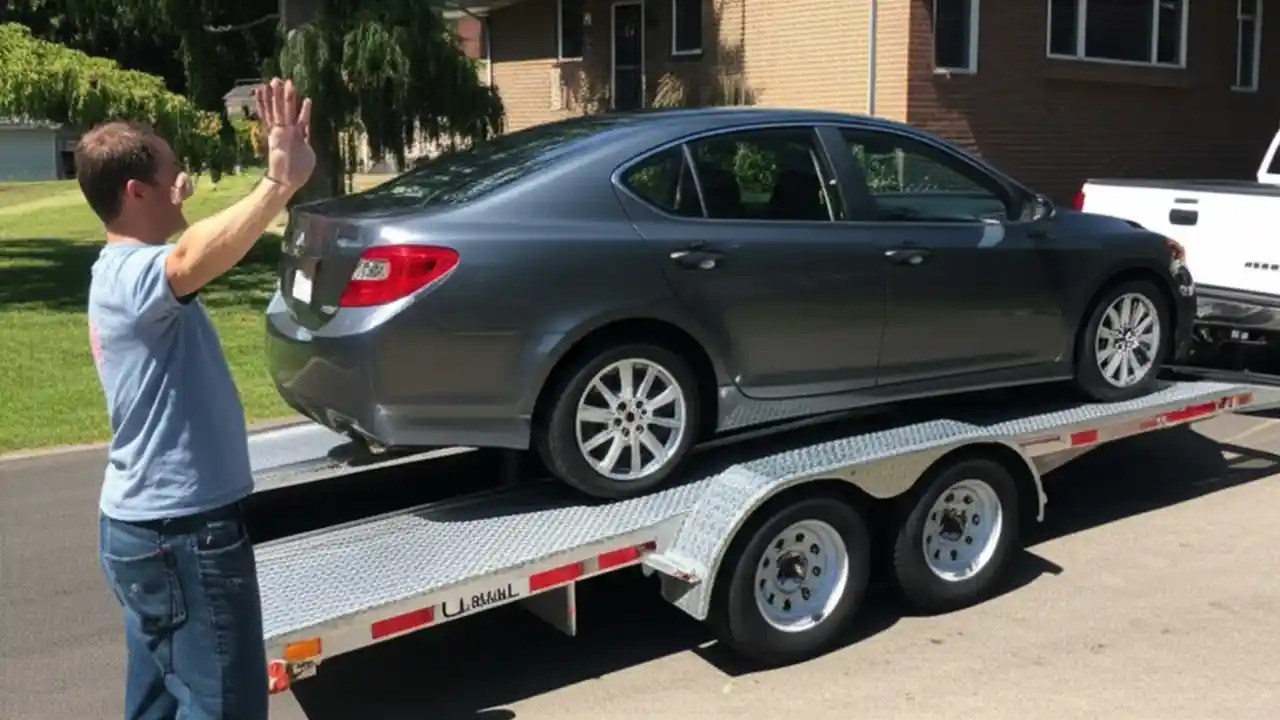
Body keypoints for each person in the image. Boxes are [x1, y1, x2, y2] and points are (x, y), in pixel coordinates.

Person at [80, 77, 314, 719]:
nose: (183, 181)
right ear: (135, 192)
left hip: (145, 533)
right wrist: (279, 184)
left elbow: (190, 247)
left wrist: (179, 204)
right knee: (226, 710)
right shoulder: (139, 277)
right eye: (172, 174)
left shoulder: (119, 269)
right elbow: (190, 259)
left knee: (157, 705)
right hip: (181, 536)